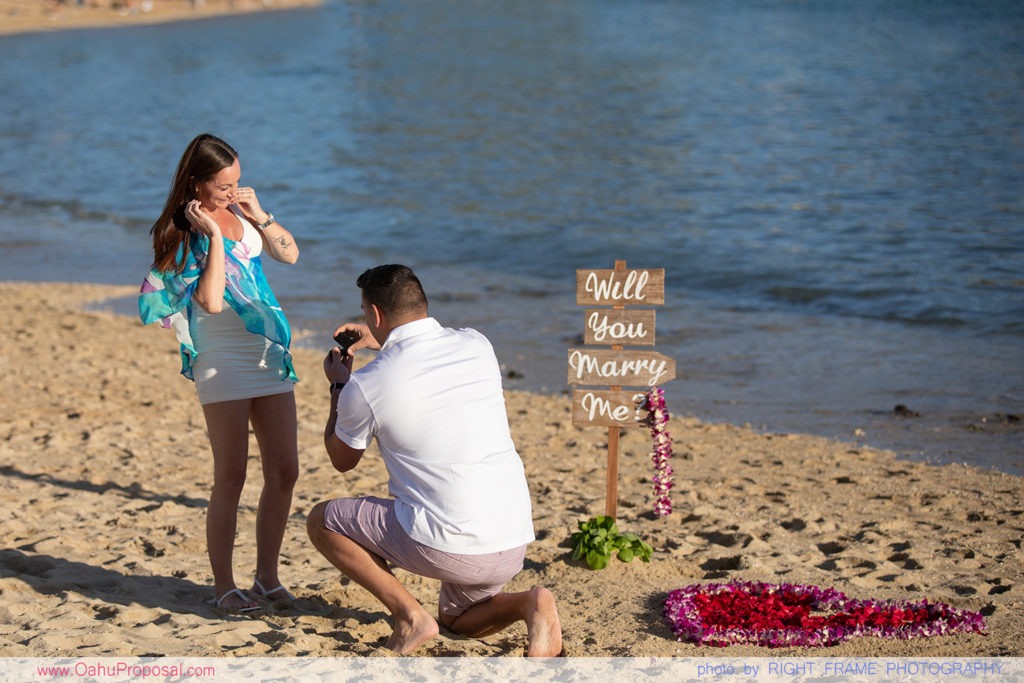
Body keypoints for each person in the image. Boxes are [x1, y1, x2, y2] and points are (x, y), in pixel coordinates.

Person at [307, 264, 562, 656]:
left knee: (323, 521)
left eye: (365, 312)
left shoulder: (367, 384)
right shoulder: (477, 344)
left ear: (374, 314)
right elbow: (422, 358)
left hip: (450, 547)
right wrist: (383, 340)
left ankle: (410, 616)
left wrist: (339, 384)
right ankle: (532, 602)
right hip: (511, 540)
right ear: (420, 303)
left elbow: (342, 459)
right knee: (459, 621)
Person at [139, 133, 300, 613]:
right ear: (196, 183)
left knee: (285, 470)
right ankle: (224, 585)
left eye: (238, 181)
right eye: (225, 185)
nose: (234, 191)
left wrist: (261, 215)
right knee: (231, 474)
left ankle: (267, 577)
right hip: (222, 356)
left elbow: (289, 254)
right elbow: (209, 300)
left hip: (266, 354)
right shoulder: (180, 232)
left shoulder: (246, 213)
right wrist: (212, 234)